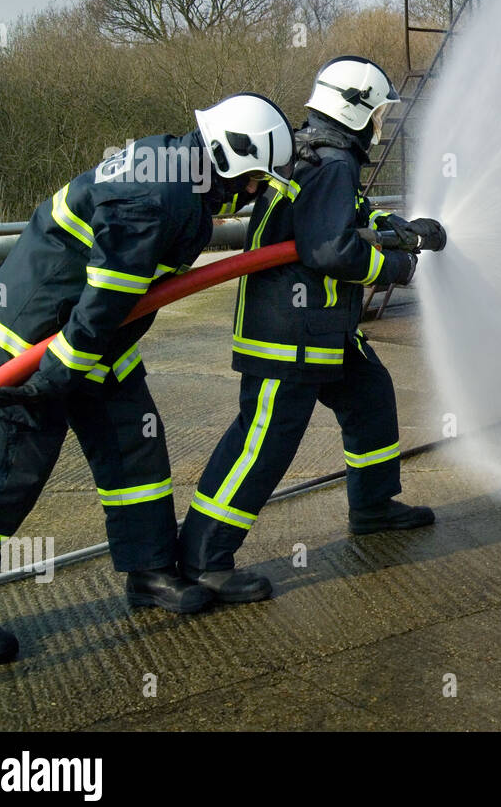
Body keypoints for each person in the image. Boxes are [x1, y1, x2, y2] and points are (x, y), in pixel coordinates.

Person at [0, 94, 294, 665]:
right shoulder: (154, 198)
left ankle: (149, 570)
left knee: (134, 446)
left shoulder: (179, 173)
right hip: (32, 342)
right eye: (257, 178)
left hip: (91, 340)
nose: (255, 192)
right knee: (3, 477)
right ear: (231, 158)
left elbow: (108, 309)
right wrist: (52, 378)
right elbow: (104, 300)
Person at [177, 56, 445, 605]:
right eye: (377, 113)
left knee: (371, 396)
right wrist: (395, 267)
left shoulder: (311, 151)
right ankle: (203, 558)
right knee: (263, 443)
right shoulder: (332, 164)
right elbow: (329, 249)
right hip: (290, 333)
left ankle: (372, 506)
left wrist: (398, 230)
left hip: (322, 326)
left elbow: (335, 223)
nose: (380, 124)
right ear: (358, 110)